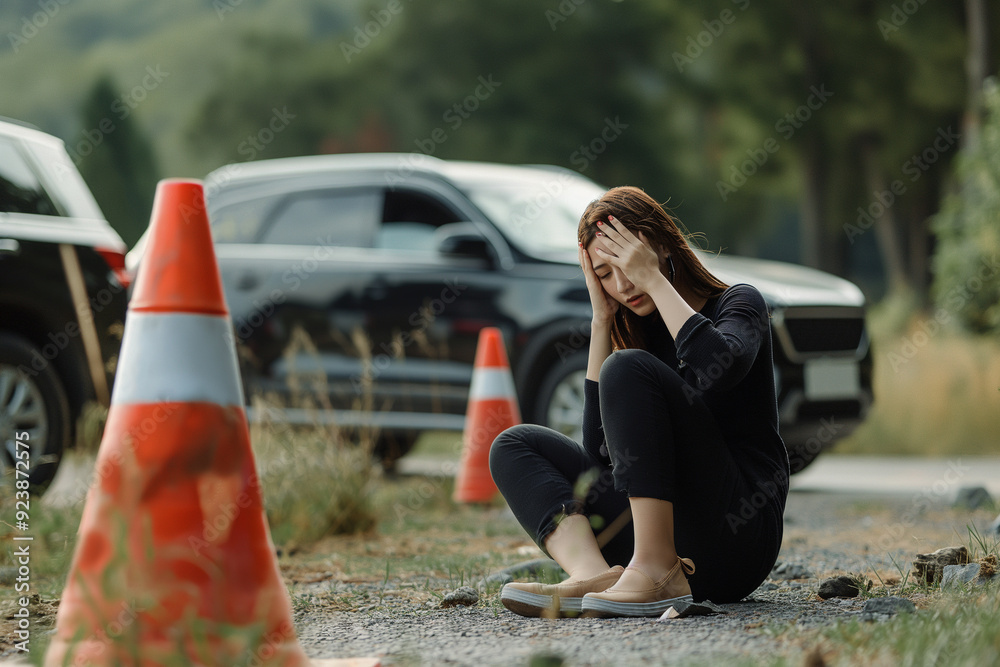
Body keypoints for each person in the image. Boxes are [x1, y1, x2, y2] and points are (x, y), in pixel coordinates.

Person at [489, 186, 789, 618]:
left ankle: (655, 568)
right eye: (605, 273)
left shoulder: (739, 303)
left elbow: (719, 368)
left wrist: (654, 280)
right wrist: (601, 322)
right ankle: (593, 574)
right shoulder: (634, 333)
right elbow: (599, 461)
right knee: (514, 445)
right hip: (655, 539)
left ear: (662, 244)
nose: (622, 284)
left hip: (735, 540)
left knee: (626, 366)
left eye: (628, 263)